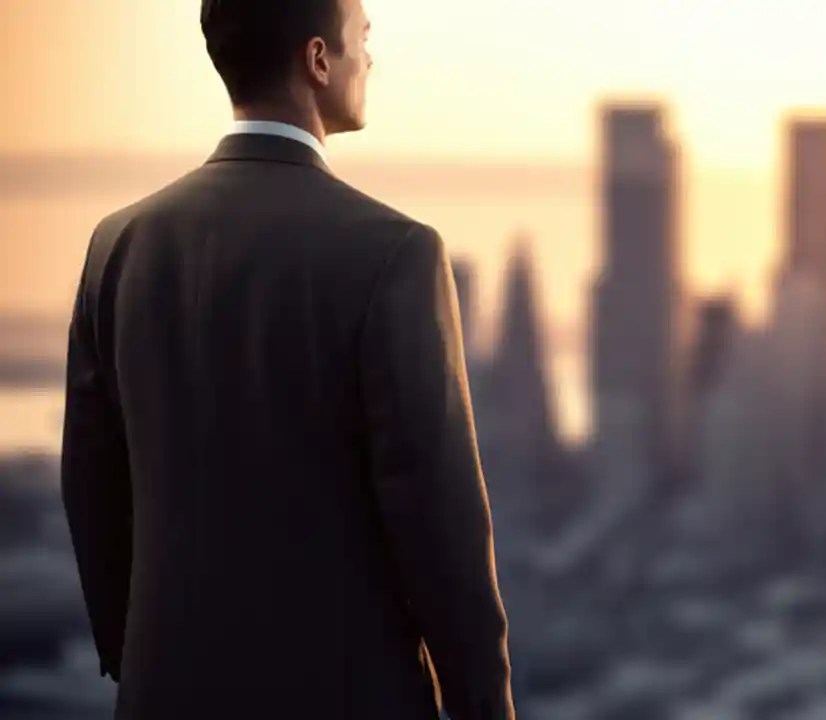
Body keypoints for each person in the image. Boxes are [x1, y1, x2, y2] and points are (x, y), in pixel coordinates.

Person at [59, 0, 515, 717]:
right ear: (318, 60)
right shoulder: (395, 253)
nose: (370, 58)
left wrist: (138, 656)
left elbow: (92, 486)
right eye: (362, 38)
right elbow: (440, 524)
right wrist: (483, 705)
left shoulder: (117, 244)